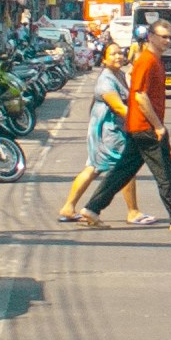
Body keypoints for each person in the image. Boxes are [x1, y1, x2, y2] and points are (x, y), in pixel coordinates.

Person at [79, 20, 171, 229]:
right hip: (146, 128)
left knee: (121, 173)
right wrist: (158, 126)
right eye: (163, 37)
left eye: (170, 37)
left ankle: (92, 208)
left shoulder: (153, 61)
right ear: (151, 37)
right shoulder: (147, 61)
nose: (167, 41)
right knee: (165, 173)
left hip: (138, 127)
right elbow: (140, 96)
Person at [59, 38, 135, 224]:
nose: (118, 56)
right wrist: (142, 120)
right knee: (125, 168)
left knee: (93, 168)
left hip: (110, 129)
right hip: (109, 130)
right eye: (113, 54)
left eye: (120, 53)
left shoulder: (120, 75)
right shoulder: (106, 80)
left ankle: (68, 207)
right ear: (104, 59)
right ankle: (133, 212)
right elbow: (119, 107)